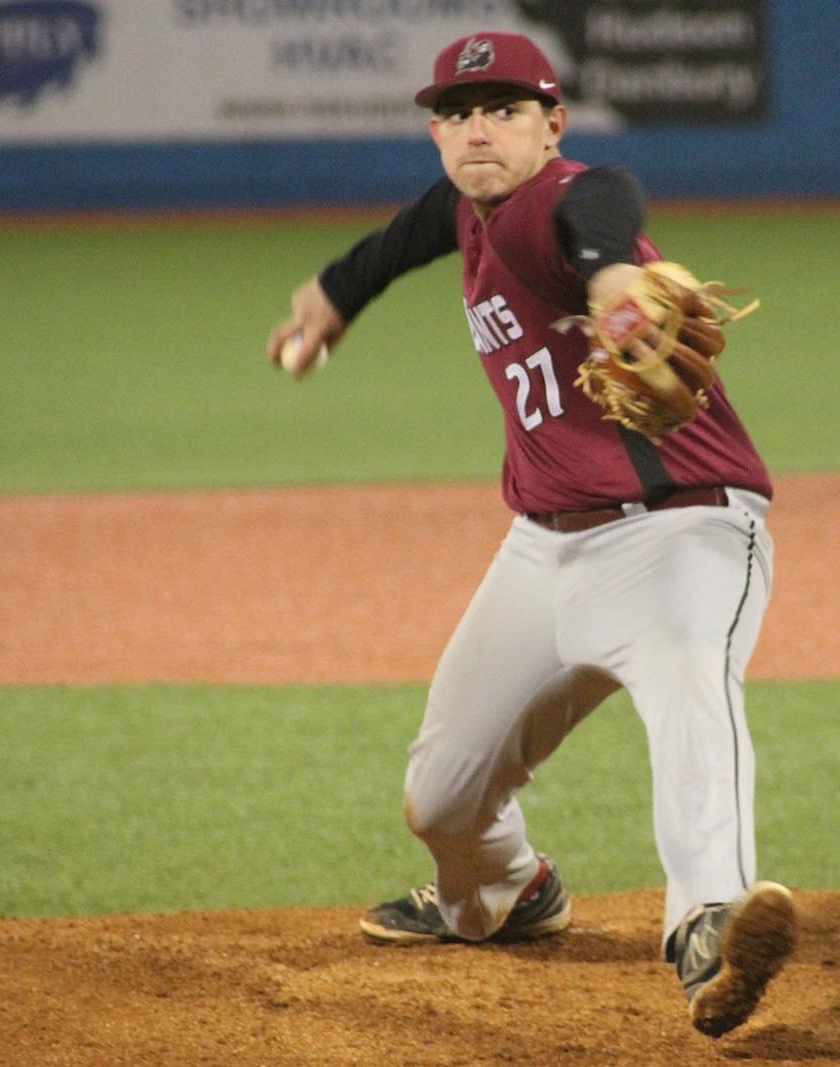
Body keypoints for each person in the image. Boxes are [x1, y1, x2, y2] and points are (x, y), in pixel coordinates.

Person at [264, 31, 795, 1039]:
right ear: (434, 131)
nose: (478, 129)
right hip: (542, 549)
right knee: (439, 799)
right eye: (459, 113)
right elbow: (405, 235)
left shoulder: (562, 199)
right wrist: (334, 296)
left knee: (691, 684)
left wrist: (608, 289)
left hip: (683, 531)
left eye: (505, 109)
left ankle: (709, 923)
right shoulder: (466, 209)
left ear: (551, 125)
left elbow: (606, 210)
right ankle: (506, 891)